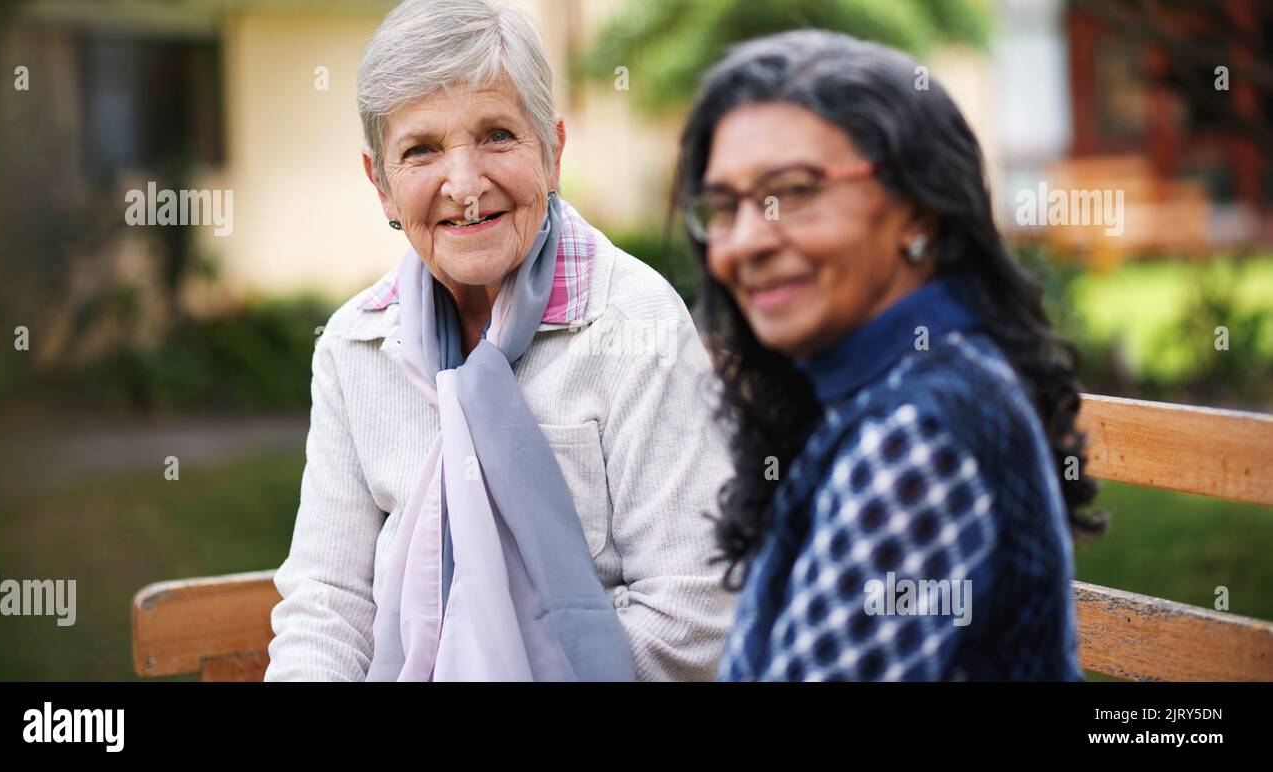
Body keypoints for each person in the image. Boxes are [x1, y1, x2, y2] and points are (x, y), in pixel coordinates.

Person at [265, 0, 735, 681]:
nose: (464, 185)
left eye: (496, 136)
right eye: (421, 149)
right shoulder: (353, 346)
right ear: (383, 185)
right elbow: (328, 606)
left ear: (552, 153)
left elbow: (694, 615)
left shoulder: (637, 327)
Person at [674, 30, 1103, 681]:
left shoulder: (916, 439)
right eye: (725, 206)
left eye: (793, 191)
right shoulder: (867, 379)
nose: (745, 241)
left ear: (918, 211)